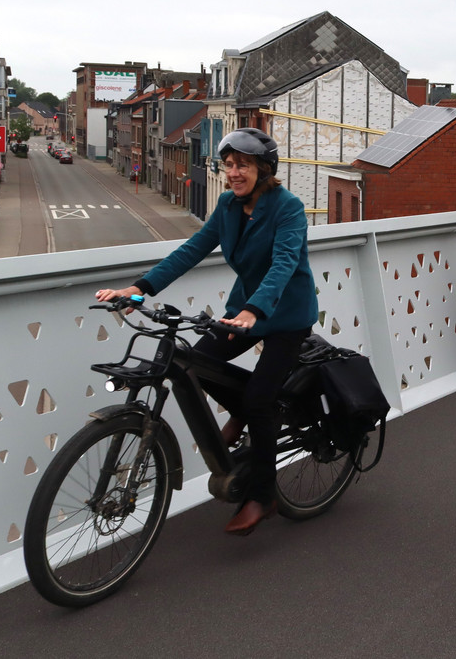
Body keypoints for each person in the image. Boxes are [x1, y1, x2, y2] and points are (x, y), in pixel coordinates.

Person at [94, 128, 316, 536]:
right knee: (197, 364)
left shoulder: (289, 208)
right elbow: (192, 249)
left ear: (264, 169)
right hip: (242, 312)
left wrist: (255, 310)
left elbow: (284, 264)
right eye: (229, 164)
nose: (233, 172)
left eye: (243, 165)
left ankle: (263, 495)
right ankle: (244, 412)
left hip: (284, 315)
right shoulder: (228, 206)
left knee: (260, 398)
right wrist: (139, 289)